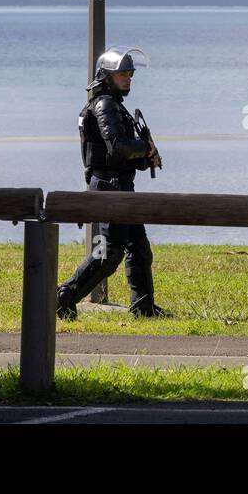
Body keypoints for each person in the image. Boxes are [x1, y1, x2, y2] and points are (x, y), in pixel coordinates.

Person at [56, 45, 165, 320]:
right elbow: (117, 147)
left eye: (130, 73)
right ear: (107, 76)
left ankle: (143, 307)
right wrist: (144, 149)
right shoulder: (104, 105)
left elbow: (123, 155)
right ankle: (64, 295)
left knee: (138, 248)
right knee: (109, 253)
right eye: (122, 74)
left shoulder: (116, 106)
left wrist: (144, 157)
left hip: (120, 187)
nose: (128, 78)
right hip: (109, 189)